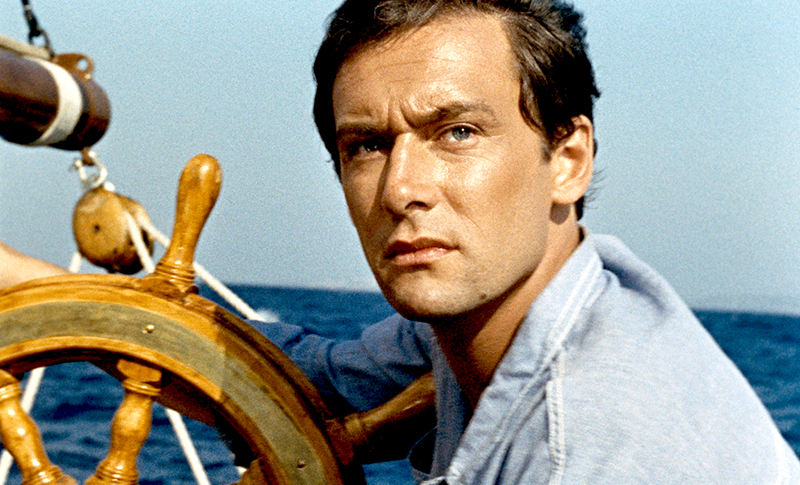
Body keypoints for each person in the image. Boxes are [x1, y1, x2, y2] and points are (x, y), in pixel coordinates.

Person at [2, 1, 798, 483]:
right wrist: (32, 286)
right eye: (367, 145)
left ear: (567, 159)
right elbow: (302, 385)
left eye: (457, 132)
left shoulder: (595, 446)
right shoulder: (495, 327)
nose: (400, 188)